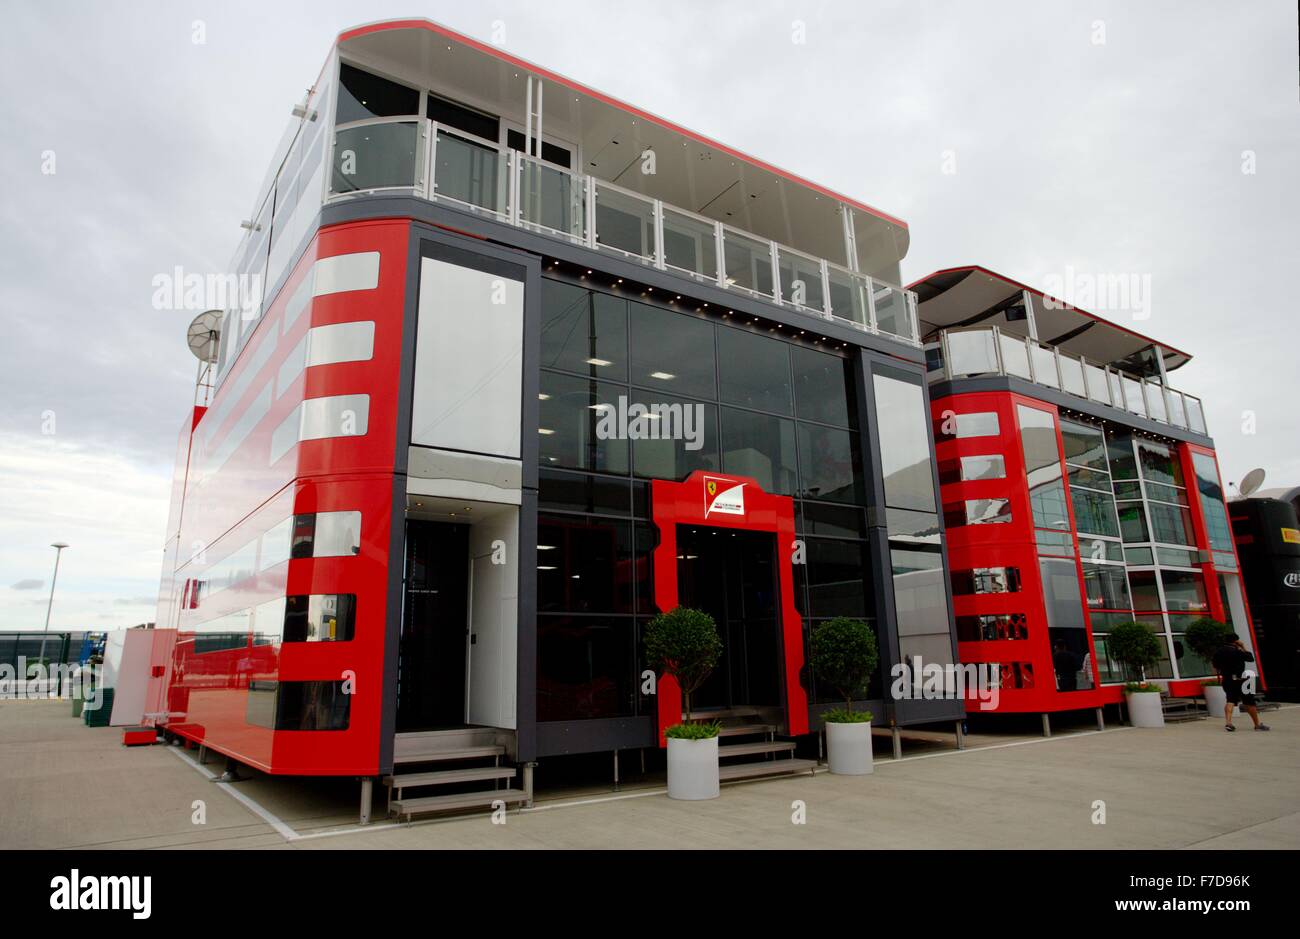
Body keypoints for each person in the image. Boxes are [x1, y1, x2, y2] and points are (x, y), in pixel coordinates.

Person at [1211, 638, 1269, 732]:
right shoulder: (1237, 650)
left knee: (1230, 700)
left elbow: (1215, 667)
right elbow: (1250, 658)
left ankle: (1228, 722)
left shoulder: (1218, 652)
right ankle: (1257, 724)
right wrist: (1243, 647)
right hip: (1242, 679)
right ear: (1235, 641)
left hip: (1227, 679)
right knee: (1249, 702)